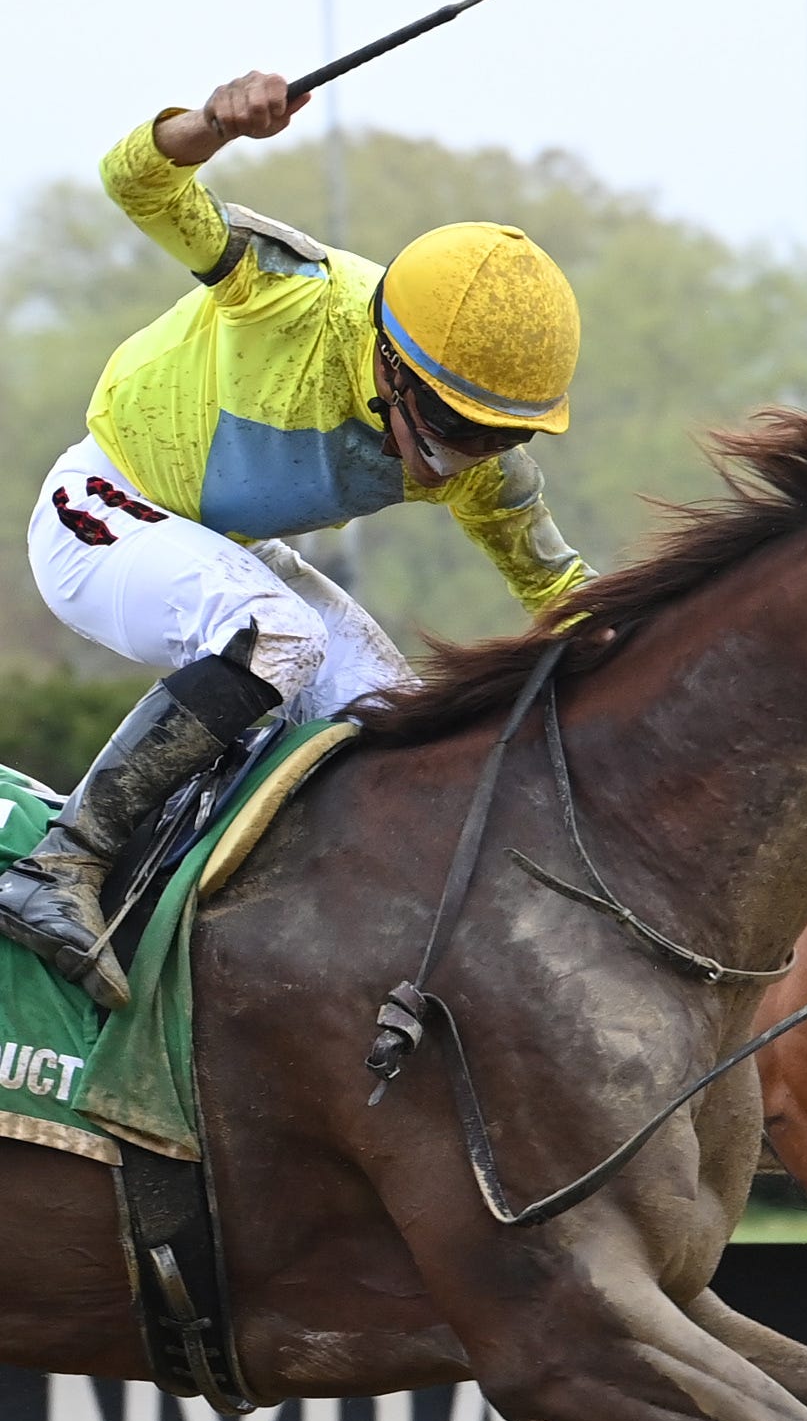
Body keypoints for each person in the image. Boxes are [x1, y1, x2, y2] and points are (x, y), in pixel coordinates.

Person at [0, 70, 592, 1009]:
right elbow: (135, 181)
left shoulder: (485, 466)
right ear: (390, 360)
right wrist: (212, 122)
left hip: (224, 552)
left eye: (500, 435)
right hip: (101, 507)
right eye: (454, 423)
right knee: (282, 637)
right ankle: (62, 863)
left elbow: (566, 596)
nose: (468, 458)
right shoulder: (291, 294)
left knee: (396, 724)